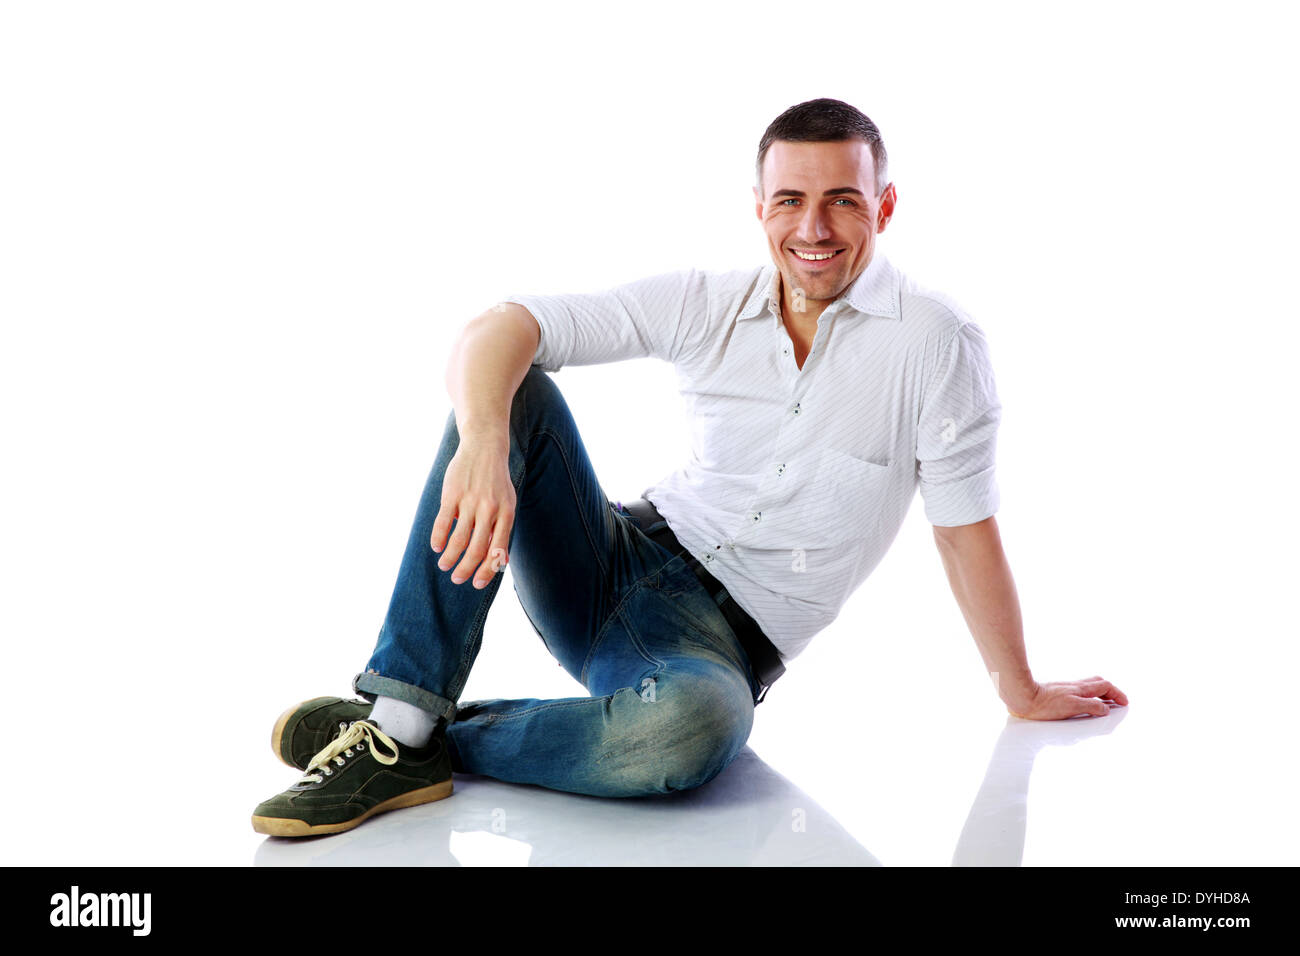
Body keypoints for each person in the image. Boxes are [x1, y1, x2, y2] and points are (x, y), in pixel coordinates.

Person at [251, 97, 1128, 838]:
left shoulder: (938, 344)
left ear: (885, 206)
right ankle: (400, 721)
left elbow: (964, 525)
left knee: (691, 735)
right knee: (511, 394)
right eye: (789, 200)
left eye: (842, 202)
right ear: (758, 209)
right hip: (609, 560)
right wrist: (483, 439)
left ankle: (409, 739)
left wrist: (1019, 688)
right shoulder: (708, 303)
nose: (812, 229)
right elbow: (502, 324)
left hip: (716, 649)